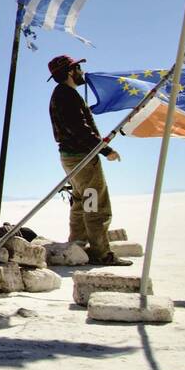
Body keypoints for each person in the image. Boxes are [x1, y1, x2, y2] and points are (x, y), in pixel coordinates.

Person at [48, 55, 131, 267]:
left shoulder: (63, 94)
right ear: (69, 71)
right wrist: (105, 150)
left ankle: (77, 246)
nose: (82, 71)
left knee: (80, 201)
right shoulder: (66, 95)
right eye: (78, 68)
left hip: (71, 158)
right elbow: (79, 129)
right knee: (95, 203)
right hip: (82, 158)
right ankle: (101, 253)